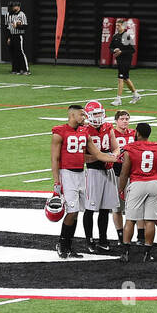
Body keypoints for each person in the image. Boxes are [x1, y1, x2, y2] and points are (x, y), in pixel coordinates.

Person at [50, 103, 114, 258]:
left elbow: (97, 154)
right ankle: (62, 244)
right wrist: (57, 182)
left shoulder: (84, 131)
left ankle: (68, 246)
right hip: (67, 174)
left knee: (77, 212)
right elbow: (55, 158)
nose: (84, 117)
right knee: (71, 211)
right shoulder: (59, 132)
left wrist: (115, 158)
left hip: (81, 173)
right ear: (72, 115)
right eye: (82, 115)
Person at [116, 121, 157, 264]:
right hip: (154, 184)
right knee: (150, 220)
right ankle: (147, 253)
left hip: (137, 183)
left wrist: (121, 189)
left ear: (137, 133)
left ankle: (125, 252)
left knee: (131, 220)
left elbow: (124, 172)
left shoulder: (130, 148)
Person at [80, 100, 120, 254]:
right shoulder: (84, 130)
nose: (97, 117)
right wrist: (103, 157)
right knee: (90, 208)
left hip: (107, 171)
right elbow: (83, 157)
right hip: (93, 172)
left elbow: (116, 148)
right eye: (94, 114)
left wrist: (112, 156)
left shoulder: (107, 127)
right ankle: (89, 239)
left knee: (105, 208)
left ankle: (103, 239)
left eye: (99, 113)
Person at [108, 109, 137, 244]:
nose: (125, 121)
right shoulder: (111, 134)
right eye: (122, 119)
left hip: (132, 173)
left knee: (134, 207)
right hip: (117, 171)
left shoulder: (134, 133)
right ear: (116, 121)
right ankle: (121, 235)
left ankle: (133, 234)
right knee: (117, 207)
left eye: (127, 119)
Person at [111, 18, 142, 104]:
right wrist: (114, 50)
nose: (117, 27)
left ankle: (118, 99)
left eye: (119, 25)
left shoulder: (127, 36)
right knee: (125, 78)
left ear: (123, 26)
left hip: (126, 60)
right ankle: (136, 95)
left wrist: (121, 51)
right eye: (116, 25)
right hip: (119, 60)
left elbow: (132, 50)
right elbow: (110, 47)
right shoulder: (115, 36)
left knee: (120, 78)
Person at [5, 1, 29, 74]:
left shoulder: (22, 15)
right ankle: (15, 69)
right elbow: (7, 27)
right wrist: (8, 38)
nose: (13, 8)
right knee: (13, 53)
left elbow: (25, 26)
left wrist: (17, 26)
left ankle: (25, 69)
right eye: (12, 6)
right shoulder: (9, 15)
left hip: (19, 35)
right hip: (12, 36)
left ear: (18, 7)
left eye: (14, 6)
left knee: (20, 52)